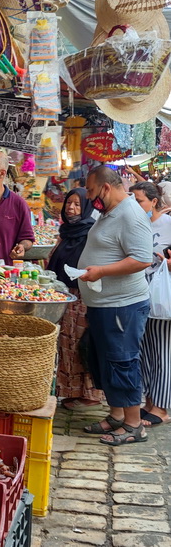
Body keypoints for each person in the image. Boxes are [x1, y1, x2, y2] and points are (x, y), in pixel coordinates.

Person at [78, 165, 153, 446]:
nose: (88, 195)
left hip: (122, 305)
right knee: (103, 360)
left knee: (122, 361)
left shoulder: (131, 214)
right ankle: (117, 415)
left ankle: (134, 425)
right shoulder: (109, 211)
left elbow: (142, 259)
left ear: (106, 187)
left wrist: (101, 272)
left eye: (90, 189)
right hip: (103, 304)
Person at [46, 188, 103, 409]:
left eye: (78, 204)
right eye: (69, 203)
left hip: (82, 297)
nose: (71, 208)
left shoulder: (90, 232)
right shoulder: (66, 232)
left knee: (81, 344)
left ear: (87, 207)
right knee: (66, 345)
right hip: (65, 297)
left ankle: (89, 394)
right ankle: (72, 392)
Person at [129, 181, 171, 427]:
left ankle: (162, 408)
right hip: (139, 294)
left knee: (163, 352)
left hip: (163, 298)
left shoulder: (168, 225)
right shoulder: (137, 225)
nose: (135, 206)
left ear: (154, 202)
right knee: (145, 352)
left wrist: (163, 264)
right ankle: (149, 402)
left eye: (139, 201)